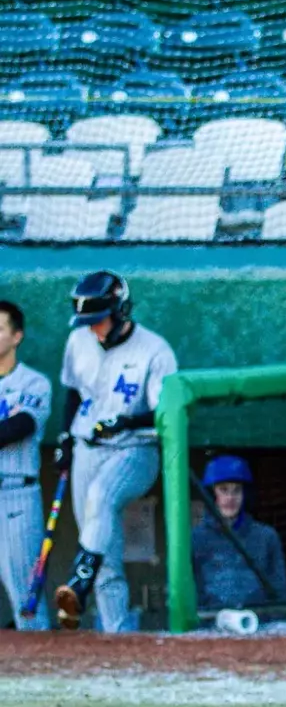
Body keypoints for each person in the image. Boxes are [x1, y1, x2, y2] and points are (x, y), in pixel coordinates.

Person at [53, 271, 178, 632]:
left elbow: (163, 412)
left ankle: (78, 580)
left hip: (135, 449)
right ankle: (117, 635)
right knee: (104, 551)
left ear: (120, 311)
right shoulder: (78, 341)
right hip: (87, 449)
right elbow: (73, 391)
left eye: (99, 320)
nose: (93, 329)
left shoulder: (155, 350)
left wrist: (125, 423)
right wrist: (64, 437)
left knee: (100, 498)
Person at [0, 302, 51, 631]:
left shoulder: (34, 383)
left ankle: (41, 673)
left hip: (15, 495)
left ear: (16, 336)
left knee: (26, 597)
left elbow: (16, 429)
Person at [192, 454, 286, 611]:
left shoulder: (266, 537)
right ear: (211, 494)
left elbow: (280, 591)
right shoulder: (195, 540)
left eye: (237, 491)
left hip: (260, 627)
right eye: (223, 490)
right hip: (211, 627)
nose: (230, 497)